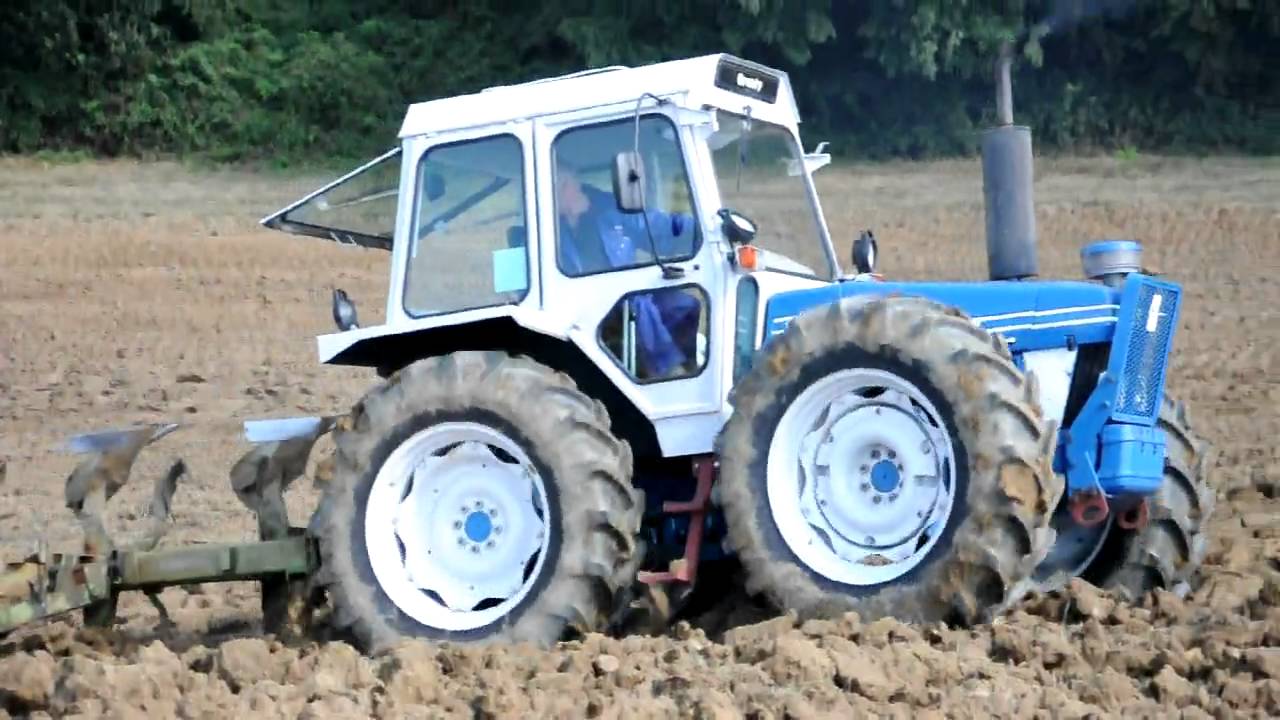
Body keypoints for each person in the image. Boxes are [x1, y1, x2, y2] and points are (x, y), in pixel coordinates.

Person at [555, 162, 703, 378]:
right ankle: (668, 372)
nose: (553, 194)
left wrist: (704, 230)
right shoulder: (544, 229)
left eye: (562, 184)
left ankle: (691, 367)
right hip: (582, 305)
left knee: (683, 304)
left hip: (621, 291)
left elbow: (659, 227)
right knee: (638, 304)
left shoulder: (611, 211)